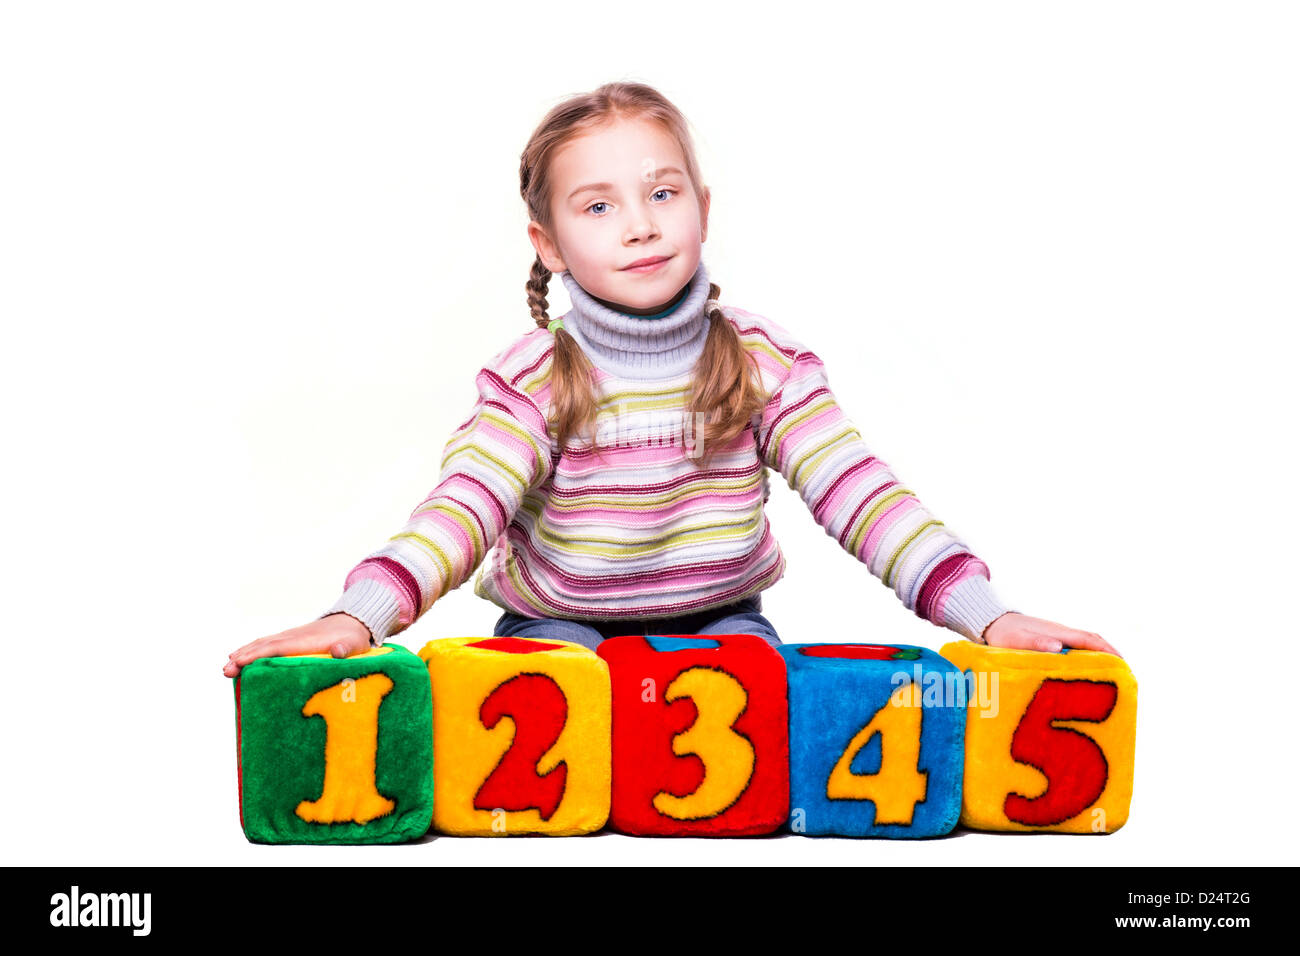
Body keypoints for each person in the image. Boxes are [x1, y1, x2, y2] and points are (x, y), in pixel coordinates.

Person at [225, 81, 1118, 678]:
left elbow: (865, 496)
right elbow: (459, 512)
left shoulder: (765, 360)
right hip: (558, 628)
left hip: (717, 621)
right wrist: (358, 617)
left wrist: (989, 616)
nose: (641, 225)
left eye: (663, 193)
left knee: (758, 690)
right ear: (549, 244)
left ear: (702, 206)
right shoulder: (531, 378)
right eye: (599, 205)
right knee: (561, 691)